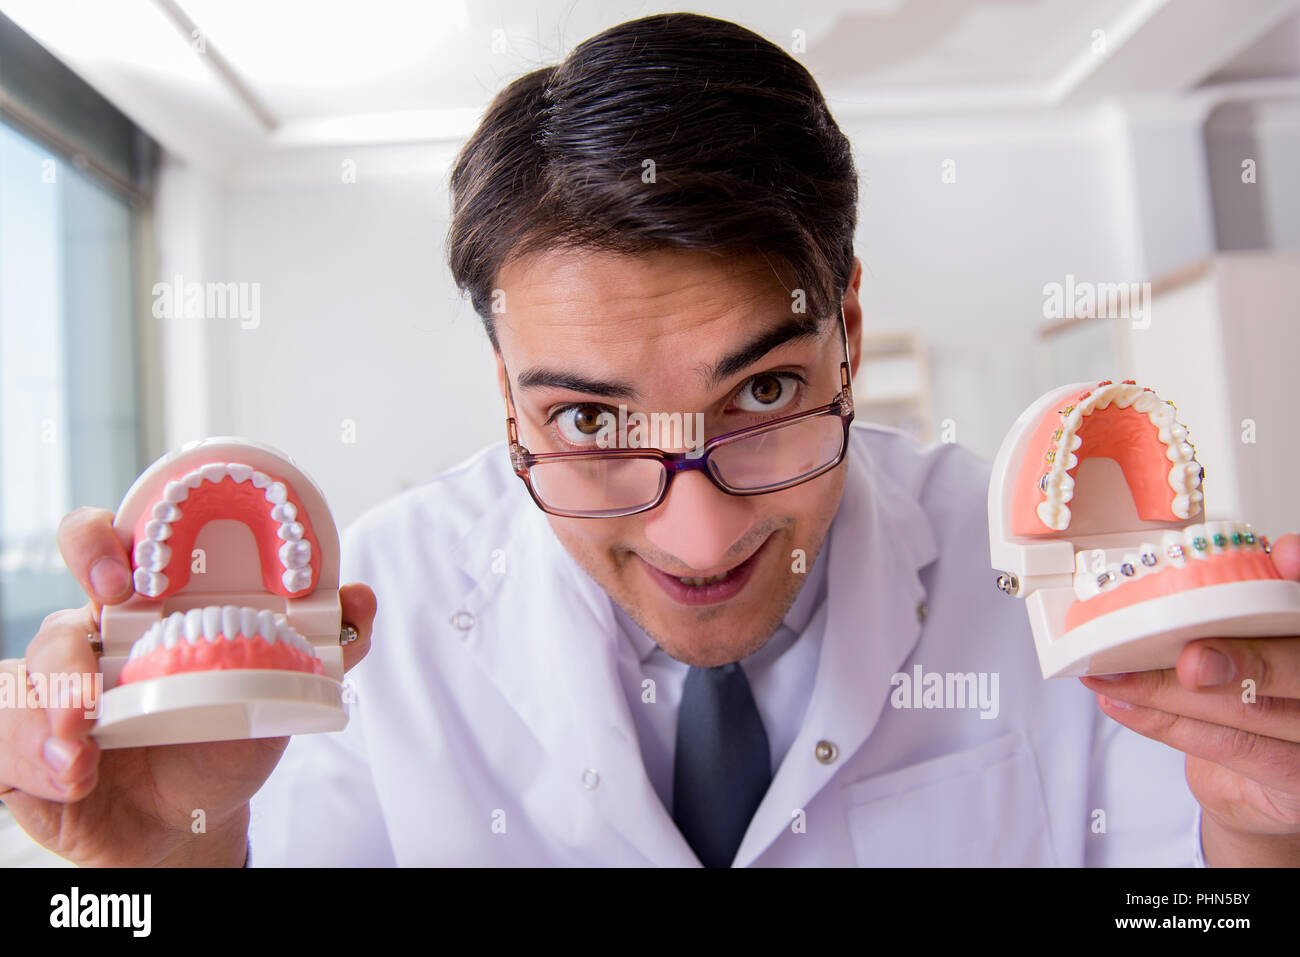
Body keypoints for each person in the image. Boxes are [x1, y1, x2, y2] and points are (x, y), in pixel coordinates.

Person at [4, 12, 1299, 867]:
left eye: (765, 395)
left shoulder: (1038, 568)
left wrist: (1259, 832)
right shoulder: (367, 622)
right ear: (502, 389)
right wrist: (162, 861)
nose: (701, 531)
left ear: (846, 324)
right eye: (587, 420)